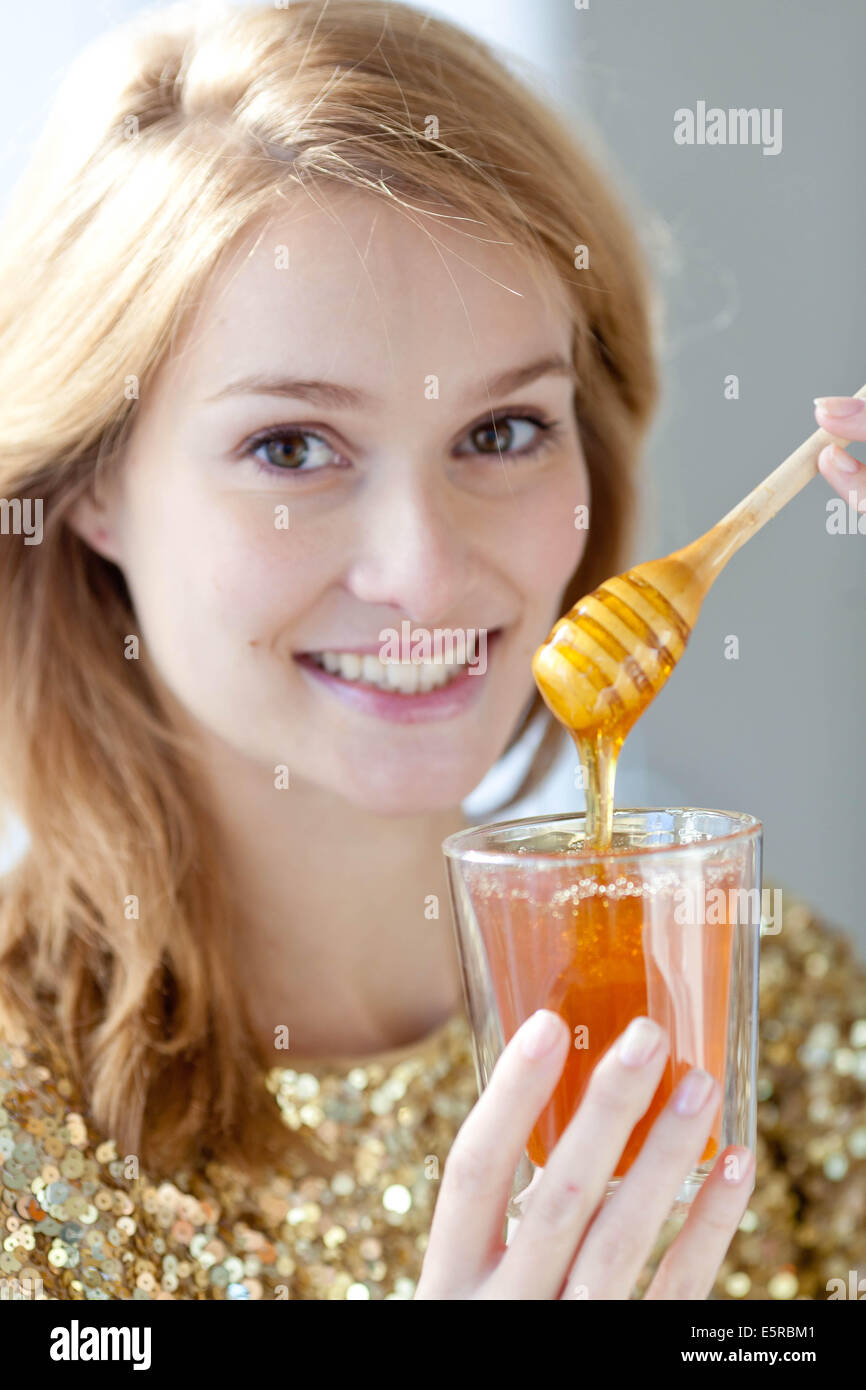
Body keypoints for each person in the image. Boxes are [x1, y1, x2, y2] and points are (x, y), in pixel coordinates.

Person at [0, 0, 862, 1302]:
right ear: (89, 487)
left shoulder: (771, 1003)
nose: (422, 570)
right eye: (291, 446)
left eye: (504, 429)